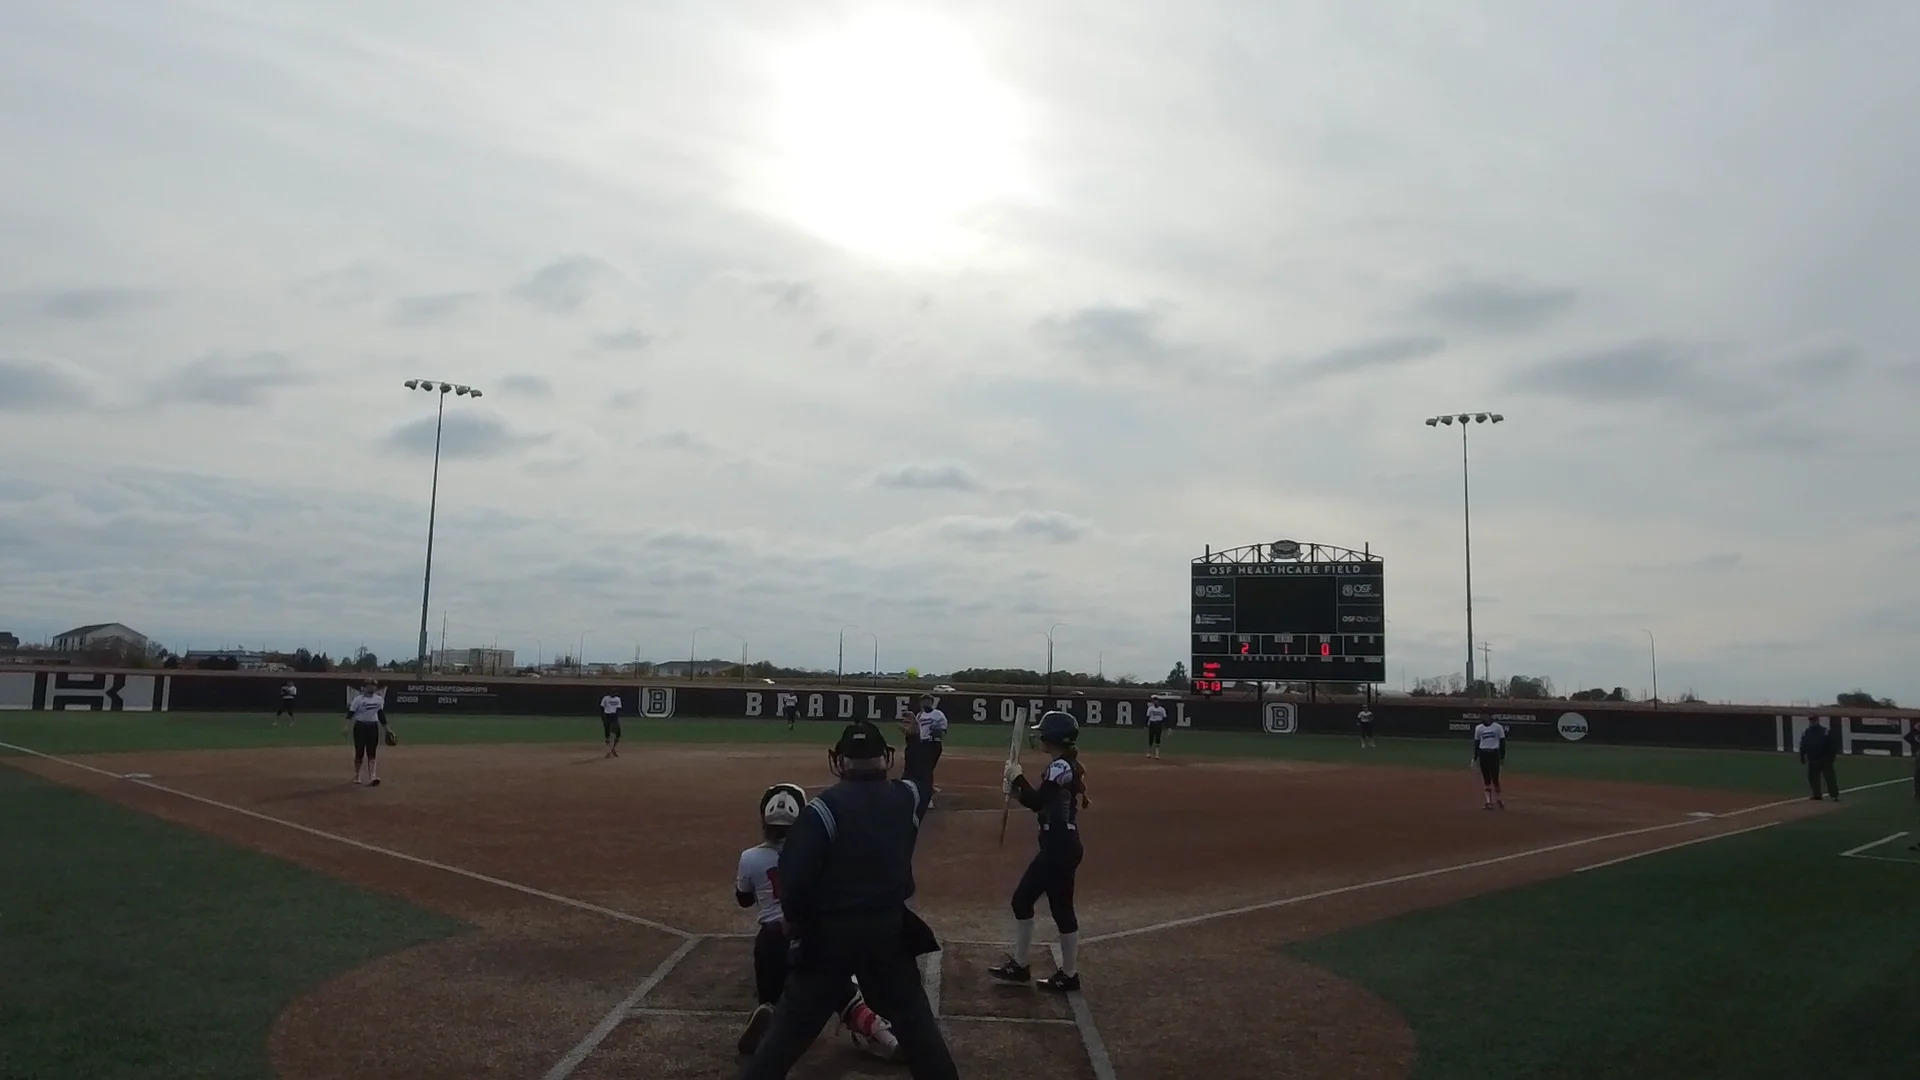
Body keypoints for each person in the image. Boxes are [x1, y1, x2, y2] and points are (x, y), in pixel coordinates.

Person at [735, 721, 955, 1080]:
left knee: (788, 1033)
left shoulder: (822, 809)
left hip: (829, 938)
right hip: (888, 932)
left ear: (839, 761)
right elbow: (921, 774)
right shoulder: (907, 798)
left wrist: (793, 920)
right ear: (885, 759)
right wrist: (917, 739)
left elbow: (797, 875)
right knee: (916, 1025)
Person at [734, 782, 900, 1062]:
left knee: (776, 997)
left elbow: (744, 899)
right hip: (807, 934)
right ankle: (886, 1038)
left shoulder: (750, 858)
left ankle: (768, 1014)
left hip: (768, 943)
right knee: (840, 991)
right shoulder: (814, 852)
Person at [989, 710, 1088, 992]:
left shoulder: (1060, 766)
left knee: (1022, 900)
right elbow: (1038, 801)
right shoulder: (1064, 765)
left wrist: (1017, 778)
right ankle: (1068, 974)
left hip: (1058, 847)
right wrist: (1015, 786)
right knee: (1060, 908)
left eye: (1043, 731)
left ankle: (1022, 966)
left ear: (1054, 736)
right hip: (1063, 845)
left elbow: (1036, 801)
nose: (1039, 735)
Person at [343, 680, 395, 786]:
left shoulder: (379, 699)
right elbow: (350, 714)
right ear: (364, 687)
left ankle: (373, 776)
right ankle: (357, 776)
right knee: (359, 752)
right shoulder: (358, 700)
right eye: (369, 685)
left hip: (373, 727)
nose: (372, 687)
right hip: (360, 726)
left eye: (373, 685)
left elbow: (381, 715)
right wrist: (346, 727)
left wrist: (387, 729)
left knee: (372, 752)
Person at [905, 693, 947, 808]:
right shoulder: (919, 715)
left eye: (927, 701)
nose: (924, 703)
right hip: (921, 745)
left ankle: (928, 797)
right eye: (923, 701)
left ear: (932, 702)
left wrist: (936, 732)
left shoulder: (938, 715)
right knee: (925, 770)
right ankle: (929, 789)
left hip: (933, 744)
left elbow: (943, 731)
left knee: (926, 770)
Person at [1798, 718, 1840, 802]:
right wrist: (1802, 756)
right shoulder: (1806, 732)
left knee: (1829, 778)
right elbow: (1802, 745)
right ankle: (1817, 794)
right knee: (1812, 778)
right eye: (1811, 721)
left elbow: (1832, 746)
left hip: (1825, 759)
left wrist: (1831, 758)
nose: (1812, 722)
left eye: (1814, 720)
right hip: (1812, 759)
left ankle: (1834, 795)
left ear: (1818, 721)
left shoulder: (1825, 732)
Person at [1471, 717, 1506, 809]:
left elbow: (1502, 742)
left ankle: (1498, 799)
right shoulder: (1479, 728)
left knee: (1495, 778)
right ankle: (1488, 802)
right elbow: (1477, 743)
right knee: (1486, 778)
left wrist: (1502, 756)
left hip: (1494, 754)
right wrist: (1475, 757)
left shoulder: (1498, 727)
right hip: (1484, 753)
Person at [599, 692, 623, 757]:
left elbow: (618, 709)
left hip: (614, 716)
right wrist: (603, 718)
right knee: (607, 735)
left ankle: (613, 749)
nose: (613, 693)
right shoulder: (605, 698)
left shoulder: (617, 699)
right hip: (607, 716)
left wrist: (616, 718)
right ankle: (609, 751)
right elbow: (602, 708)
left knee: (618, 734)